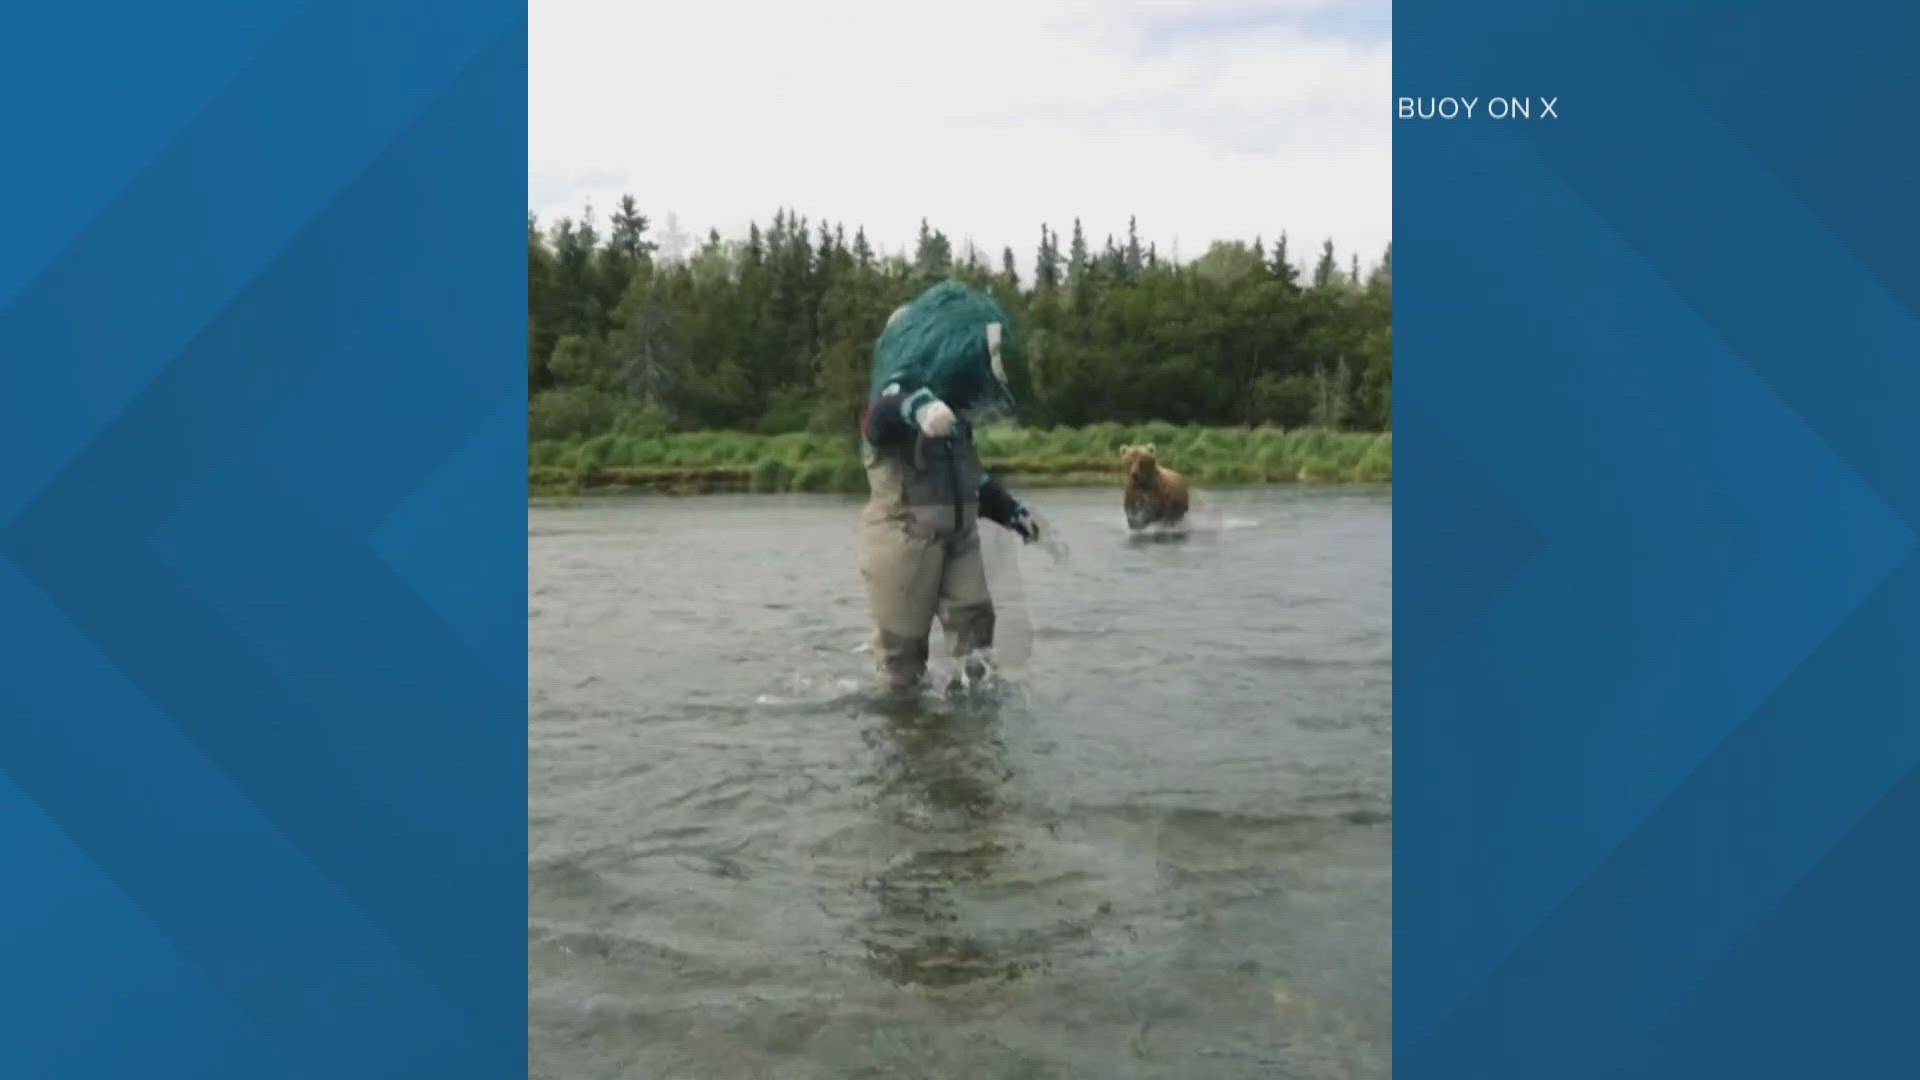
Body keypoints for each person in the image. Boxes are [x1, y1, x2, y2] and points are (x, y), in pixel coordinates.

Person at [858, 281, 1045, 694]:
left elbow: (969, 479)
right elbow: (881, 417)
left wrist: (1013, 513)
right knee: (902, 655)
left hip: (959, 538)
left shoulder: (953, 415)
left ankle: (973, 741)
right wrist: (917, 407)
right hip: (903, 537)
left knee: (976, 638)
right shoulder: (896, 400)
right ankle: (905, 738)